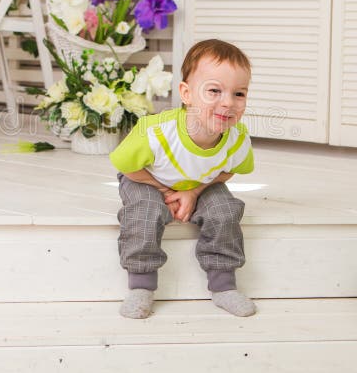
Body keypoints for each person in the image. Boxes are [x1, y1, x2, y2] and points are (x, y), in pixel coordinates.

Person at [109, 39, 256, 319]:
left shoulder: (237, 138)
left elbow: (230, 169)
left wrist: (197, 191)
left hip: (198, 183)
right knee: (145, 211)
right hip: (146, 177)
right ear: (186, 94)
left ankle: (224, 285)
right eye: (214, 90)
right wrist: (163, 190)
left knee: (225, 210)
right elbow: (126, 166)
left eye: (239, 94)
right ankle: (141, 285)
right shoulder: (155, 132)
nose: (228, 102)